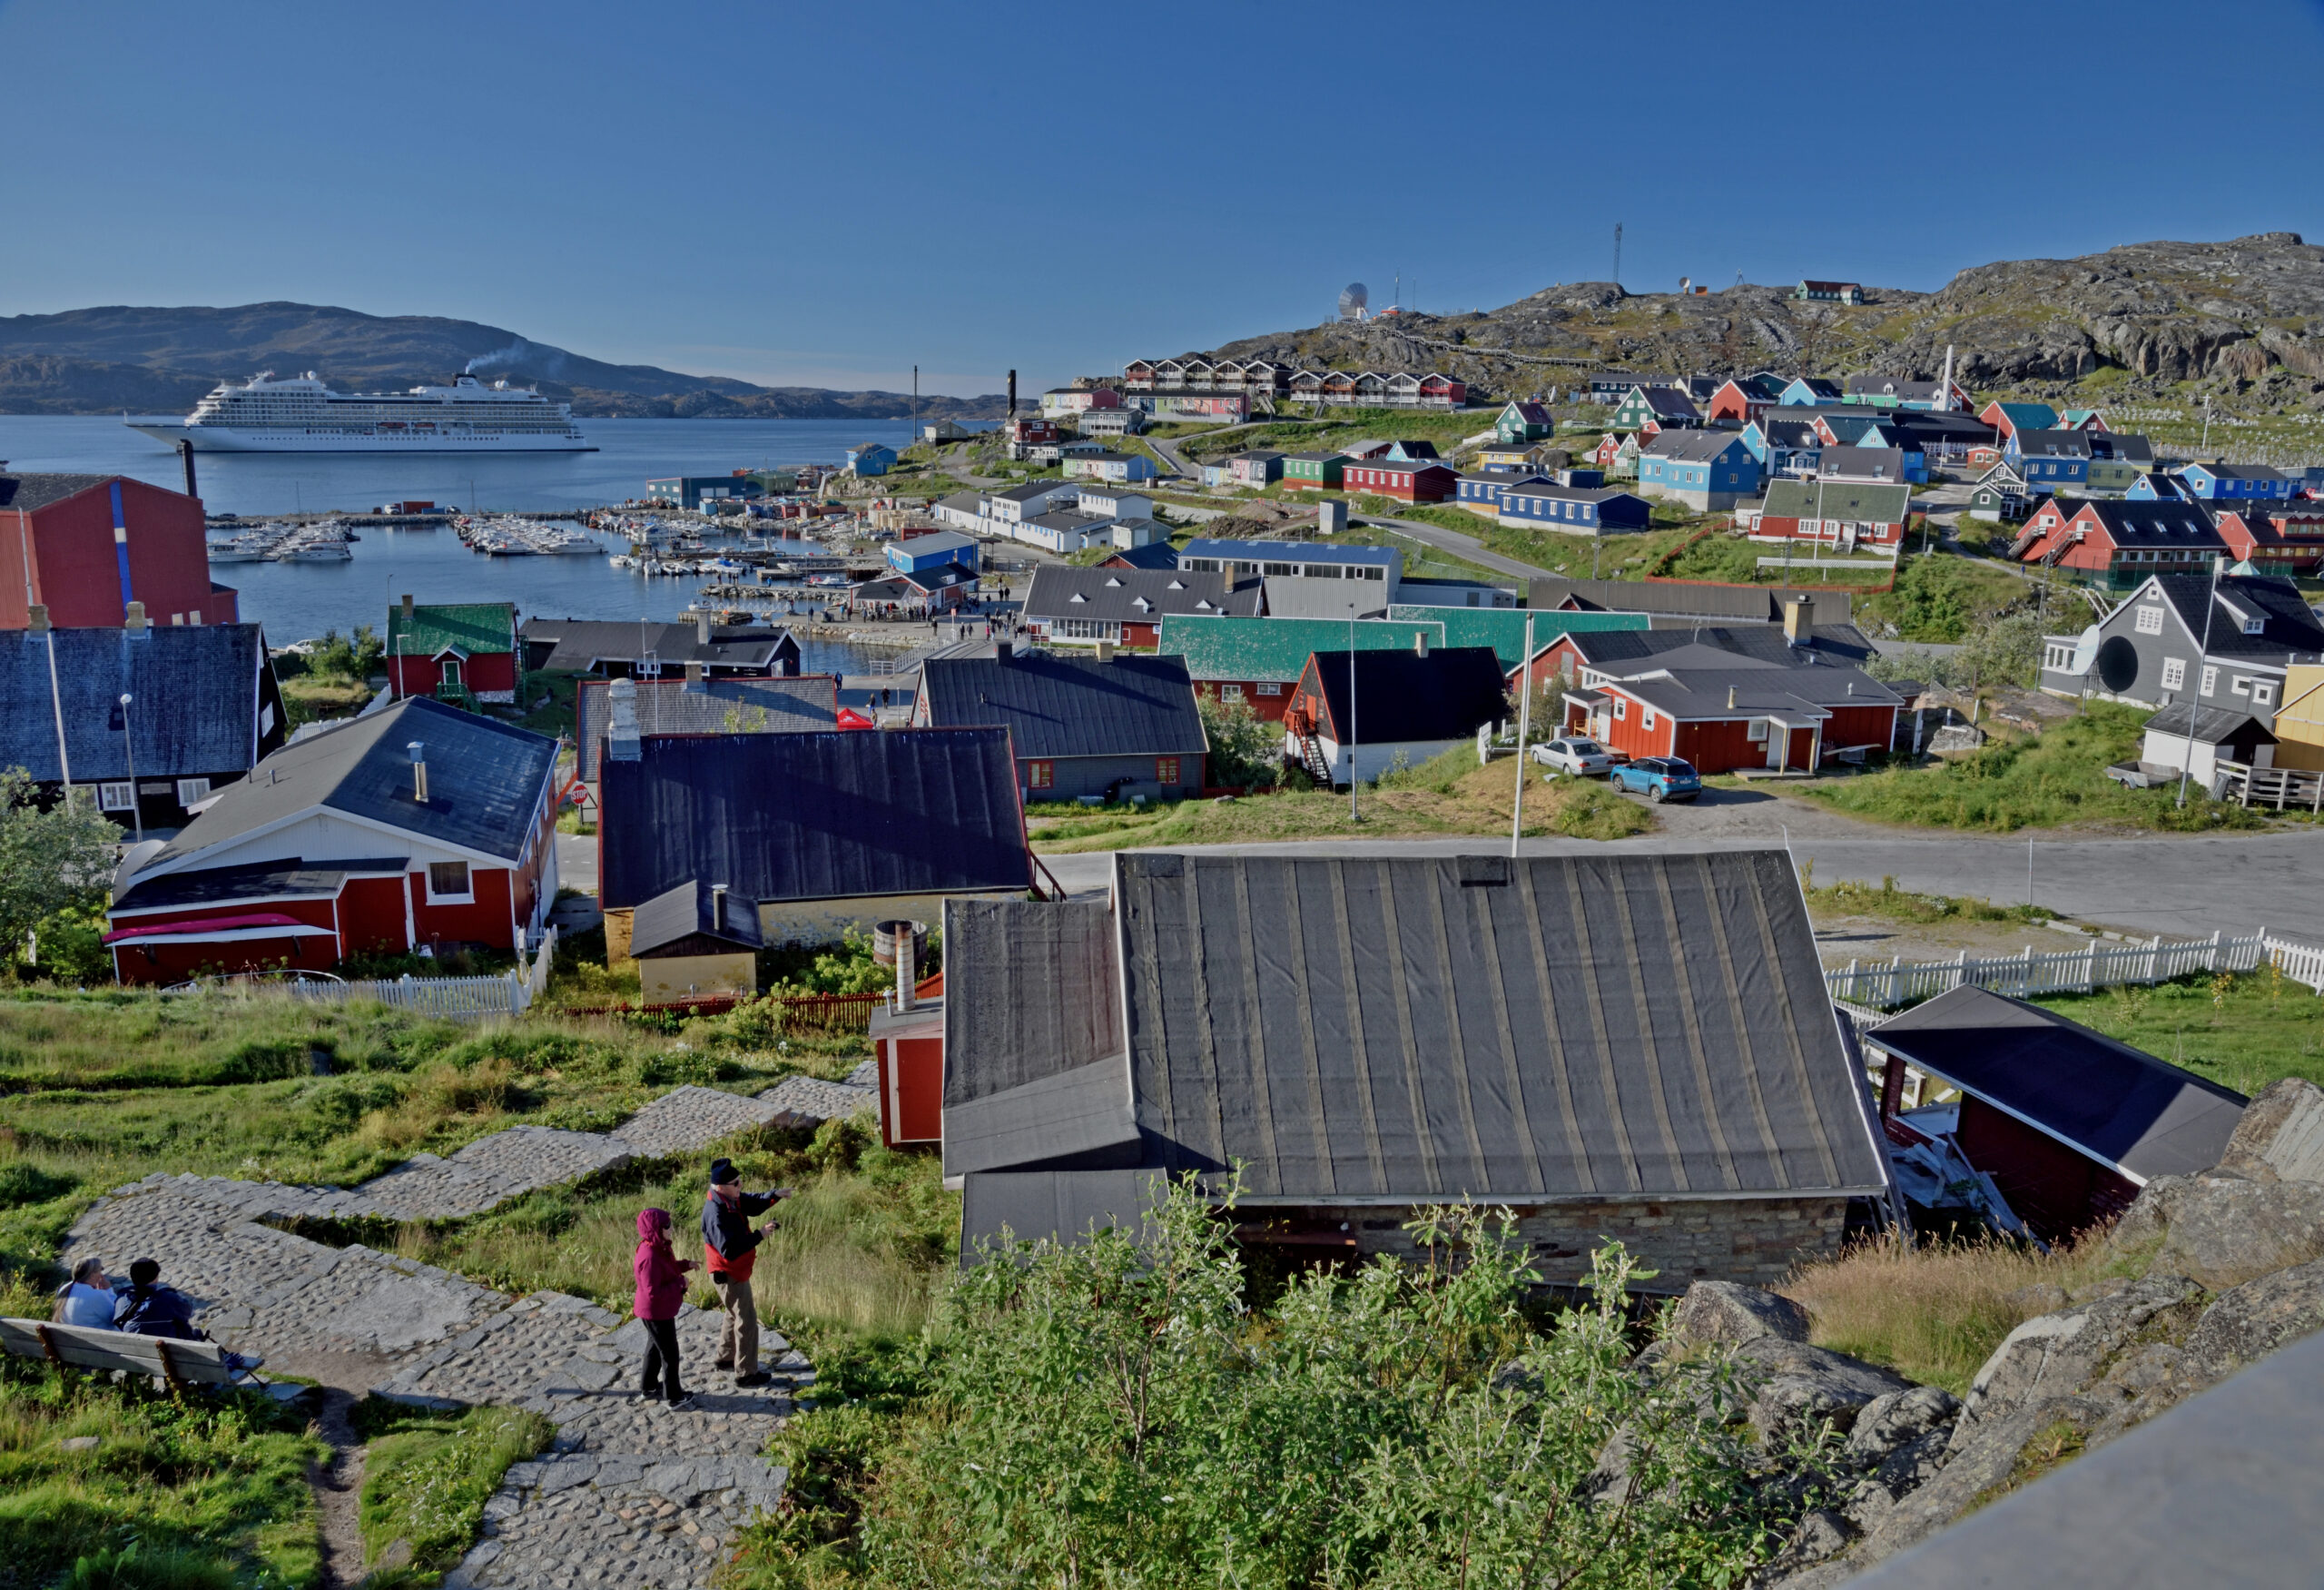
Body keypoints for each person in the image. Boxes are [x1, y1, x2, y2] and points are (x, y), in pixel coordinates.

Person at [701, 1158, 789, 1388]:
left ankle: (725, 1358)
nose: (741, 1186)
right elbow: (729, 1249)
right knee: (747, 1321)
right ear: (721, 1186)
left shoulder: (729, 1197)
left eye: (741, 1181)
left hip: (732, 1271)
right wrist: (760, 1234)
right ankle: (746, 1373)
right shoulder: (716, 1213)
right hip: (729, 1273)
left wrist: (776, 1194)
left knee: (733, 1313)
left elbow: (753, 1203)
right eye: (736, 1183)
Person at [633, 1207, 696, 1410]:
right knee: (669, 1354)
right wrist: (680, 1284)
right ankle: (675, 1397)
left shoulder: (657, 1246)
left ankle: (649, 1387)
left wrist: (686, 1264)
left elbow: (667, 1268)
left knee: (654, 1348)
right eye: (667, 1225)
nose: (671, 1228)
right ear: (656, 1228)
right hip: (656, 1312)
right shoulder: (650, 1256)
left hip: (657, 1311)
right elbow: (653, 1291)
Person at [113, 1259, 202, 1339]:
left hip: (135, 1349)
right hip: (170, 1351)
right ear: (155, 1278)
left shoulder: (123, 1297)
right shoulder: (168, 1299)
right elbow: (189, 1312)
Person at [54, 1258, 116, 1328]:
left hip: (72, 1337)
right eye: (100, 1270)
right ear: (92, 1275)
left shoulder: (64, 1289)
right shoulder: (96, 1296)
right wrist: (108, 1291)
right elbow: (117, 1317)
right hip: (99, 1338)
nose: (101, 1274)